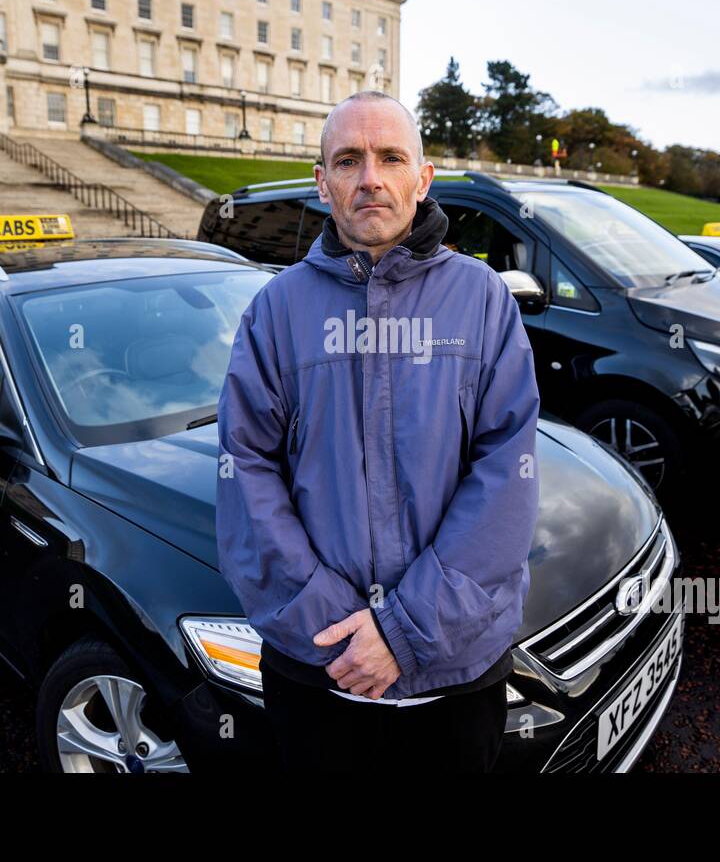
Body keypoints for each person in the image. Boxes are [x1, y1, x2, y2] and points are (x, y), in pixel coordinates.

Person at [216, 90, 541, 773]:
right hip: (321, 673)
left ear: (422, 179)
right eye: (349, 160)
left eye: (391, 157)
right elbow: (246, 471)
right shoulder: (276, 312)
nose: (371, 178)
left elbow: (505, 472)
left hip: (455, 679)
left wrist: (404, 630)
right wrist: (339, 631)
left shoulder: (483, 301)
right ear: (323, 182)